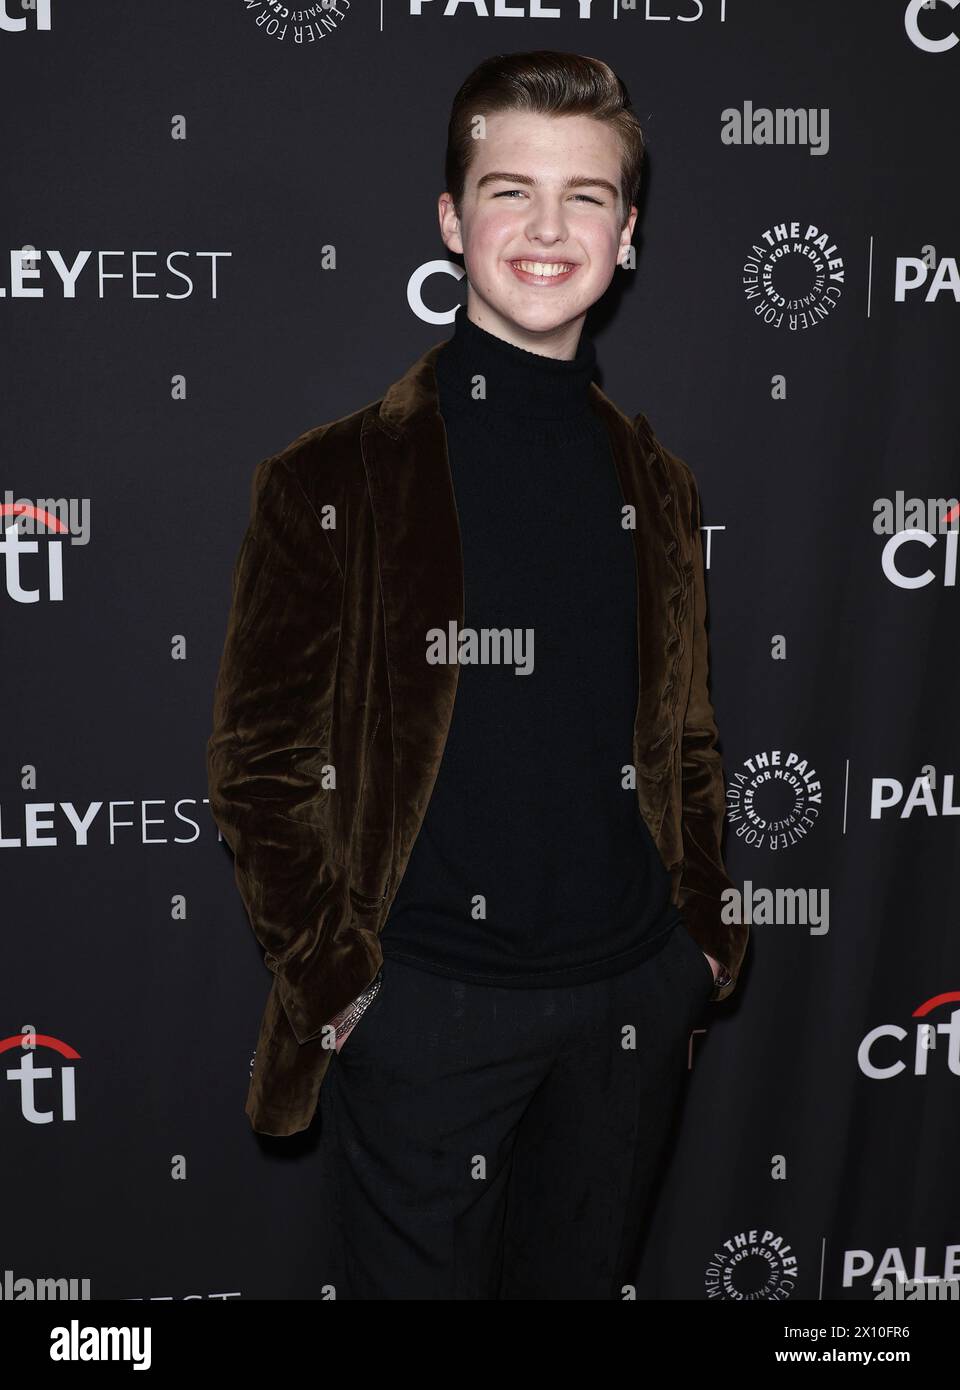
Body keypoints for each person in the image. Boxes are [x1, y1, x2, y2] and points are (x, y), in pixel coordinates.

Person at [206, 49, 749, 1299]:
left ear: (629, 234)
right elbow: (258, 767)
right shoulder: (330, 481)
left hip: (629, 1001)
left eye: (587, 197)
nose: (548, 229)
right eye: (512, 191)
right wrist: (347, 991)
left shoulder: (658, 483)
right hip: (425, 1013)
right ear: (453, 221)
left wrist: (702, 942)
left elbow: (689, 738)